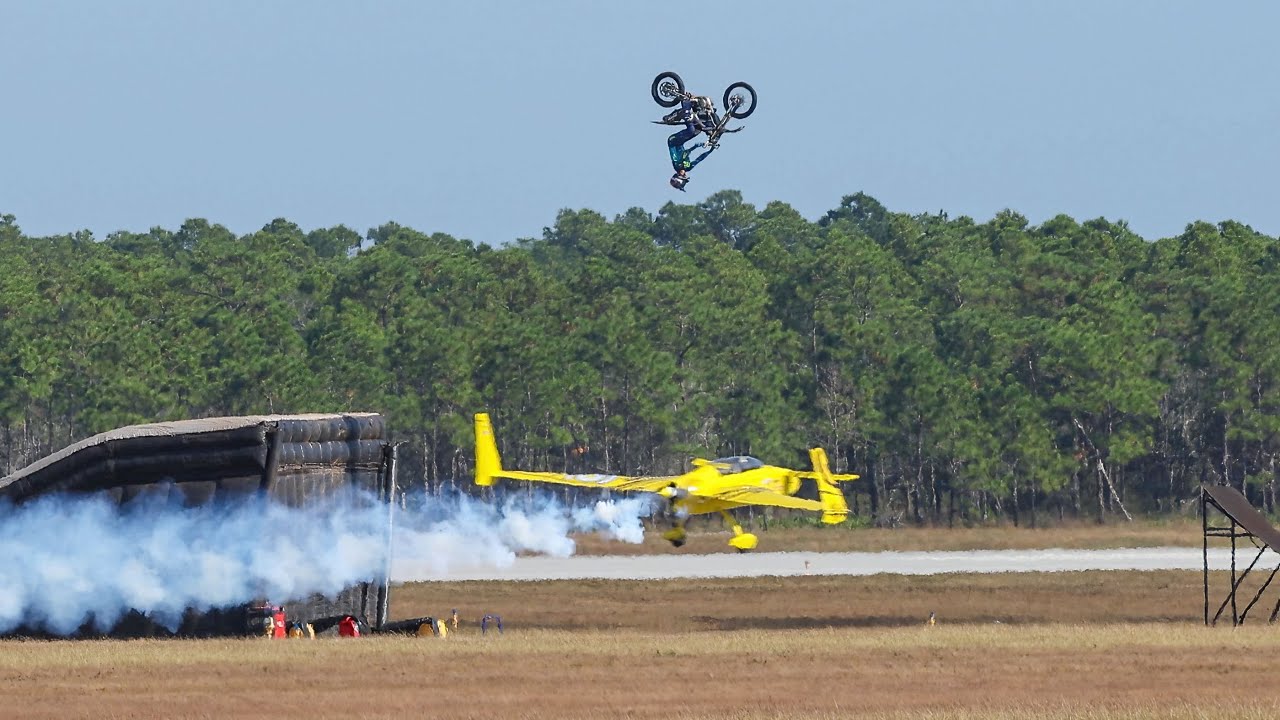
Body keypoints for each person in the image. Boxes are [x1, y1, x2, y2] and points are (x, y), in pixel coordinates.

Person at [664, 96, 719, 190]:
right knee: (697, 130)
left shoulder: (677, 166)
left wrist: (696, 146)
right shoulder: (688, 167)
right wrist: (710, 150)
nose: (686, 176)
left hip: (673, 141)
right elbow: (699, 159)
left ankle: (686, 107)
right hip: (680, 143)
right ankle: (697, 109)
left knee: (690, 131)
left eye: (684, 178)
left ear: (679, 177)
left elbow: (685, 154)